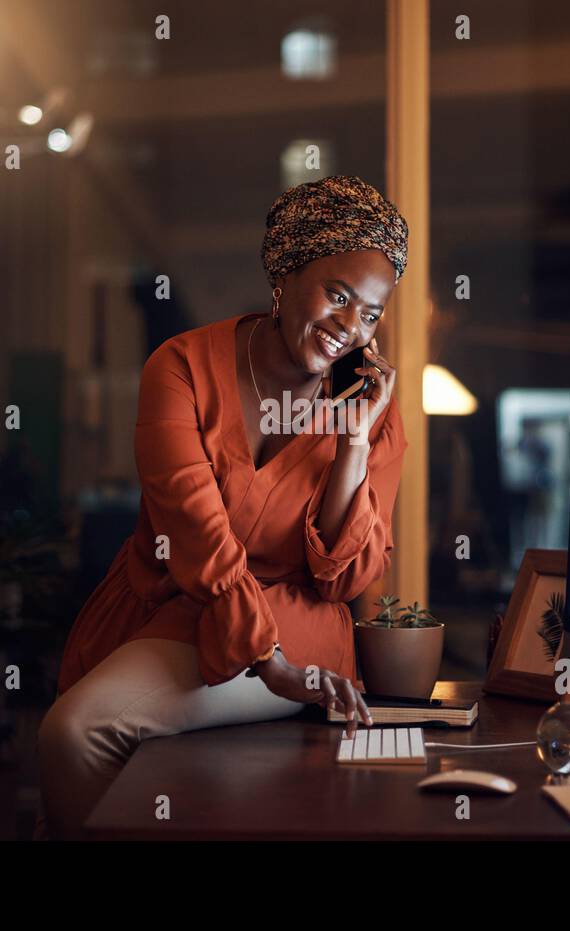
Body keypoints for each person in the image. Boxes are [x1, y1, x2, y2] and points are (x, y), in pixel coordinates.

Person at [37, 175, 410, 838]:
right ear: (286, 272)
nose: (351, 328)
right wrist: (268, 663)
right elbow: (196, 532)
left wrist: (353, 443)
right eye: (338, 294)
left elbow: (344, 578)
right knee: (79, 736)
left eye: (372, 314)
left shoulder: (372, 413)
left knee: (74, 730)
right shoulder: (179, 368)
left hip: (298, 621)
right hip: (180, 606)